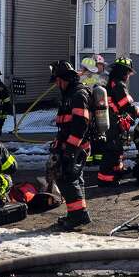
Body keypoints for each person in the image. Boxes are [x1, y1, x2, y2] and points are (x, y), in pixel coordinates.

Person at [49, 60, 93, 230]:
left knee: (66, 177)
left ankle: (77, 216)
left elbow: (81, 124)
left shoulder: (78, 94)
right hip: (69, 143)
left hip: (75, 145)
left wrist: (69, 149)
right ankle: (78, 213)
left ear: (63, 79)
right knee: (73, 178)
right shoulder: (69, 94)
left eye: (56, 81)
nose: (56, 85)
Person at [97, 56, 139, 186]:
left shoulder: (112, 82)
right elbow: (125, 105)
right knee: (112, 150)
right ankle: (106, 179)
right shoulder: (119, 84)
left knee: (116, 149)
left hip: (111, 120)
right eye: (128, 73)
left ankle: (117, 171)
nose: (128, 76)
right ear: (124, 72)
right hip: (113, 123)